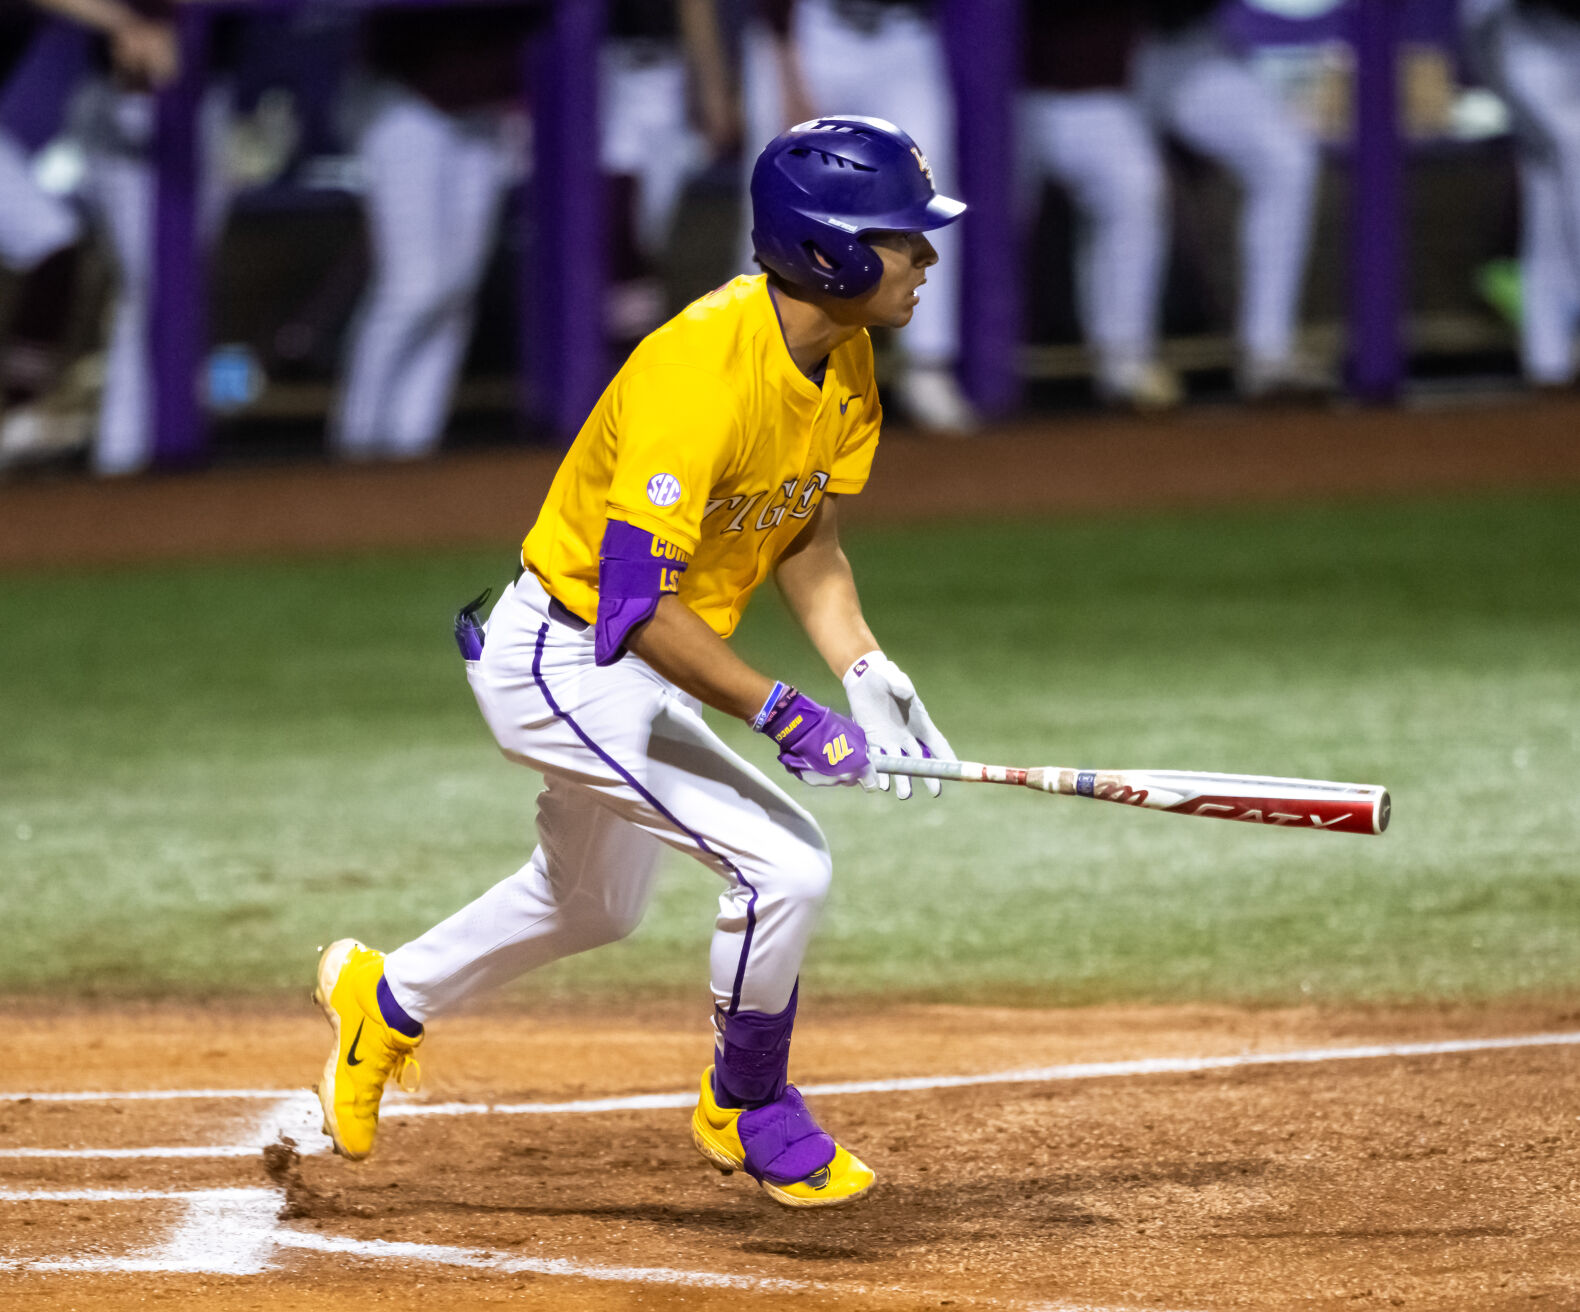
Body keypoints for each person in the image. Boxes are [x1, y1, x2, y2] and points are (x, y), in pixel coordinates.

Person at [314, 115, 958, 1208]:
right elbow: (636, 611)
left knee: (589, 905)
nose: (925, 259)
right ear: (829, 253)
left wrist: (860, 665)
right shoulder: (695, 374)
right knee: (784, 867)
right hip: (562, 664)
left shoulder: (843, 360)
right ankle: (746, 1106)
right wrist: (783, 712)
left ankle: (388, 995)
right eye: (903, 239)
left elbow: (805, 535)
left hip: (632, 664)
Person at [740, 0, 977, 434]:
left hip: (905, 33)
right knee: (778, 195)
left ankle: (927, 366)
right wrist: (788, 66)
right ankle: (754, 369)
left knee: (926, 190)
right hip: (811, 29)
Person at [1133, 0, 1328, 400]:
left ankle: (1267, 353)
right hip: (1066, 63)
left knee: (1285, 160)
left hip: (1184, 50)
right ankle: (1122, 361)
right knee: (1130, 185)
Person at [1019, 1, 1182, 410]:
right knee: (990, 217)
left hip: (1095, 97)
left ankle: (1125, 359)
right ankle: (969, 365)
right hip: (1001, 94)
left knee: (1136, 188)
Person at [1462, 0, 1580, 388]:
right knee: (1570, 147)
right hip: (1521, 40)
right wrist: (1506, 89)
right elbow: (1481, 22)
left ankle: (1548, 361)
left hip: (1566, 38)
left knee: (1547, 191)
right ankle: (1549, 362)